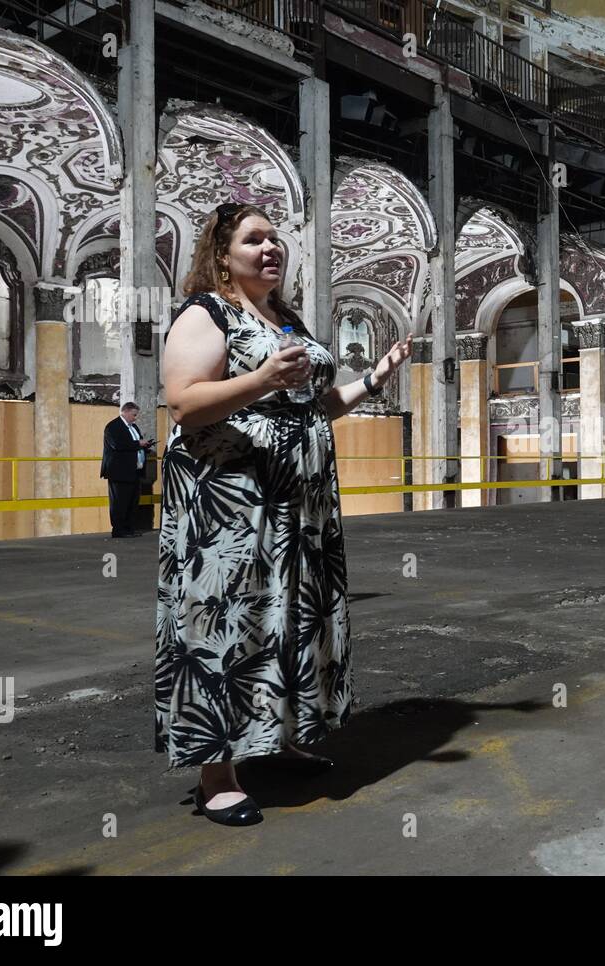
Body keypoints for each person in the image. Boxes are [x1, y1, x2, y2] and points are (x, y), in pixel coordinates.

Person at [156, 202, 412, 826]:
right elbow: (184, 404)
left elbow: (315, 406)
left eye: (276, 239)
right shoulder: (205, 313)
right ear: (222, 254)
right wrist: (266, 379)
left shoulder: (282, 316)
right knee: (225, 621)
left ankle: (275, 740)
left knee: (287, 617)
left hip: (299, 508)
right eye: (254, 240)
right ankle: (217, 773)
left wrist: (373, 380)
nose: (270, 248)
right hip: (233, 506)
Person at [100, 402, 154, 538]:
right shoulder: (113, 426)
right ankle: (119, 530)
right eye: (134, 415)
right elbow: (117, 444)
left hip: (134, 471)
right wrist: (138, 444)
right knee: (119, 502)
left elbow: (133, 446)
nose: (135, 418)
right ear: (125, 412)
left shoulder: (133, 427)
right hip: (119, 472)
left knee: (132, 502)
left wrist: (145, 446)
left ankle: (129, 529)